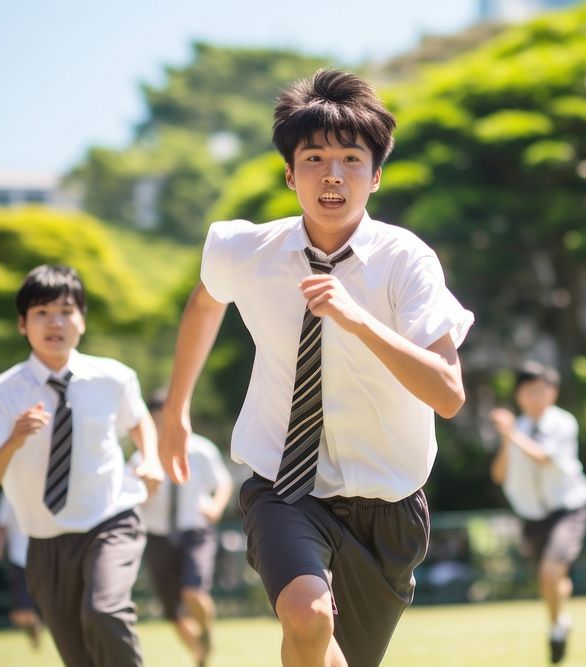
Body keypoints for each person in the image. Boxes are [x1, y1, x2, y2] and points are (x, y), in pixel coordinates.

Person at [158, 68, 473, 667]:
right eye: (315, 158)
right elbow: (203, 303)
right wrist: (176, 411)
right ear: (289, 173)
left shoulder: (407, 261)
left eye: (352, 159)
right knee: (306, 614)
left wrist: (357, 320)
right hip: (284, 483)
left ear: (375, 176)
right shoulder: (243, 250)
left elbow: (449, 394)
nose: (333, 174)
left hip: (389, 498)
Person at [0, 264, 164, 667]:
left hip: (110, 520)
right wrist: (13, 440)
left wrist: (151, 458)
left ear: (81, 321)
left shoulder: (113, 377)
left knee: (104, 612)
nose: (56, 322)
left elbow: (138, 422)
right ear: (22, 324)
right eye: (42, 312)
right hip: (45, 541)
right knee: (79, 657)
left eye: (66, 311)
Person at [489, 361, 586, 665]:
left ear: (553, 393)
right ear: (518, 396)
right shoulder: (515, 430)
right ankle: (559, 621)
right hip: (531, 514)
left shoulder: (563, 423)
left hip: (568, 508)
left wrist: (512, 435)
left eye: (540, 391)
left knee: (551, 571)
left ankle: (556, 629)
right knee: (549, 581)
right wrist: (507, 439)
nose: (534, 397)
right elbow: (499, 474)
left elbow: (544, 458)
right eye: (527, 392)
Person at [132, 395, 232, 667]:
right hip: (156, 535)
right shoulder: (139, 457)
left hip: (194, 531)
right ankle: (200, 653)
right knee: (173, 611)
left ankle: (206, 631)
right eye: (155, 419)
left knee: (193, 592)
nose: (161, 424)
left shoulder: (200, 449)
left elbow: (223, 482)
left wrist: (216, 507)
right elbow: (131, 498)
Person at [0, 491, 41, 649]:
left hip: (44, 556)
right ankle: (35, 625)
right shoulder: (10, 490)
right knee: (19, 615)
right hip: (19, 558)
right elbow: (1, 523)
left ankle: (38, 624)